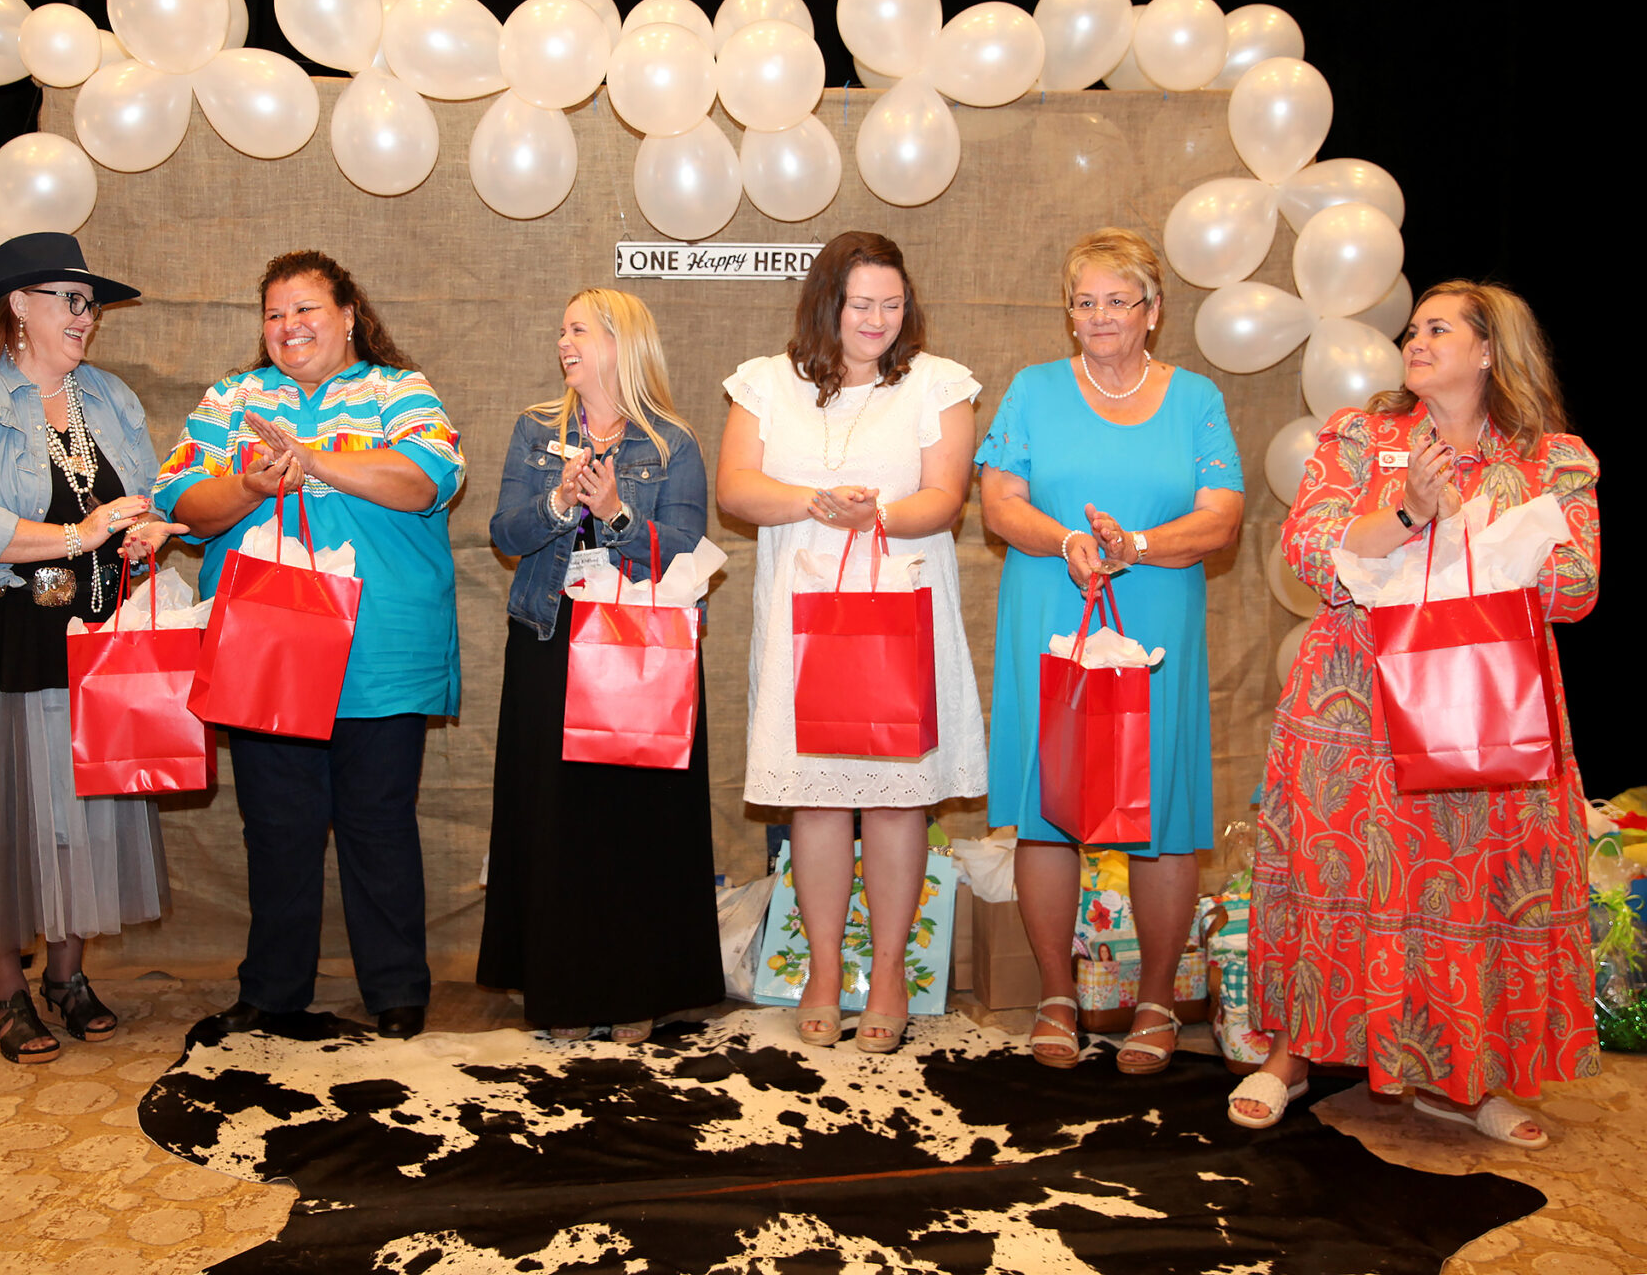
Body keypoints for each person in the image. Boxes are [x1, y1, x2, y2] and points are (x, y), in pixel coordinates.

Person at [1230, 281, 1600, 1145]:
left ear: (1488, 351)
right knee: (1338, 870)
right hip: (1355, 706)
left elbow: (1576, 587)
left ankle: (1467, 1077)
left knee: (1471, 886)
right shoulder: (1364, 435)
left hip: (1488, 702)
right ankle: (1291, 1055)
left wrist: (1491, 529)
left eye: (1438, 328)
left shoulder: (1550, 459)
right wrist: (1410, 513)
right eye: (1413, 327)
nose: (1416, 339)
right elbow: (1312, 551)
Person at [154, 250, 463, 1042]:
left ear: (350, 314)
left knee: (378, 823)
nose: (288, 327)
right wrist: (253, 485)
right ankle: (272, 990)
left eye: (306, 310)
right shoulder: (233, 397)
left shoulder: (400, 391)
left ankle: (397, 988)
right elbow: (181, 497)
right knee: (278, 828)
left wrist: (311, 458)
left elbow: (428, 477)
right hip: (266, 648)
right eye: (274, 314)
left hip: (380, 651)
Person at [0, 231, 184, 1064]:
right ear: (17, 306)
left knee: (83, 811)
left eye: (89, 302)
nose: (85, 316)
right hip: (2, 636)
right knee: (4, 817)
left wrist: (146, 529)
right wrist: (77, 533)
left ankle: (68, 977)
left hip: (92, 633)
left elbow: (145, 493)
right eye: (68, 298)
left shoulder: (108, 396)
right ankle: (5, 990)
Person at [976, 227, 1244, 1075]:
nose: (1097, 317)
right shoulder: (1031, 390)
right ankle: (1058, 996)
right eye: (1083, 302)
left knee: (1159, 814)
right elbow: (999, 504)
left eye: (1116, 301)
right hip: (1052, 617)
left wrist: (1135, 544)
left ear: (1153, 312)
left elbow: (1222, 518)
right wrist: (1067, 543)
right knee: (1052, 805)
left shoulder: (1197, 398)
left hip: (1155, 623)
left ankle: (1158, 1000)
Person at [716, 231, 987, 1053]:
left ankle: (894, 973)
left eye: (891, 303)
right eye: (861, 303)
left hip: (900, 615)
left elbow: (944, 498)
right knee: (819, 797)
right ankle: (826, 971)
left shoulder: (938, 383)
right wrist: (813, 500)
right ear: (827, 303)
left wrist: (876, 515)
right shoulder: (766, 382)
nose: (876, 319)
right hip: (803, 624)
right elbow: (736, 489)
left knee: (899, 798)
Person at [477, 289, 723, 1042]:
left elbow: (687, 551)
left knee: (633, 824)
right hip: (552, 639)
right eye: (561, 330)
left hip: (637, 648)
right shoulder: (534, 430)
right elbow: (505, 532)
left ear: (621, 342)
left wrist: (618, 515)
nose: (563, 341)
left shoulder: (672, 443)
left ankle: (636, 987)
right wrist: (558, 501)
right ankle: (561, 987)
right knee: (555, 820)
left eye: (578, 328)